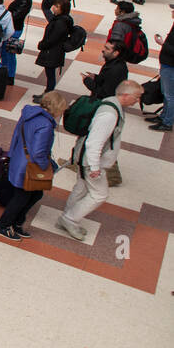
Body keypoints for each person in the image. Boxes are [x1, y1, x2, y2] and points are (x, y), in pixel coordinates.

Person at [56, 80, 142, 241]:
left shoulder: (110, 103)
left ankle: (66, 218)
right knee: (100, 194)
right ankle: (69, 219)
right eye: (136, 97)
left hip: (85, 157)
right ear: (125, 95)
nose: (138, 101)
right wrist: (95, 166)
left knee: (81, 188)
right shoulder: (109, 115)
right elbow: (94, 142)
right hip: (91, 161)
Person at [0, 92, 68, 241]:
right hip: (29, 167)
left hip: (19, 160)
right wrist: (47, 167)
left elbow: (16, 135)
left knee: (34, 194)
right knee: (22, 197)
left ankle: (16, 222)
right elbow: (38, 153)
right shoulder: (46, 126)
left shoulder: (29, 114)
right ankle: (4, 225)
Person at [148, 1, 174, 132]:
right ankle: (163, 116)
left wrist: (163, 43)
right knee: (166, 93)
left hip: (171, 66)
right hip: (167, 64)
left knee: (170, 95)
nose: (172, 12)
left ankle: (167, 122)